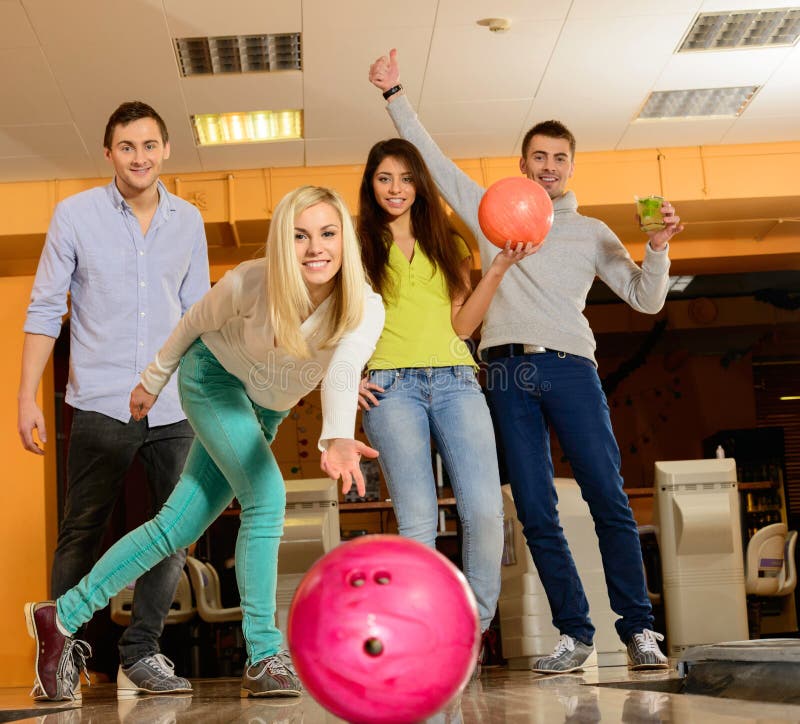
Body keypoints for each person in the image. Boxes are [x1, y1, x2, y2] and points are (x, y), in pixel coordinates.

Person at [369, 49, 684, 673]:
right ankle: (573, 632)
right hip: (504, 373)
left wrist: (656, 249)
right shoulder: (490, 214)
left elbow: (646, 300)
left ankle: (640, 630)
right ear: (523, 164)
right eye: (538, 157)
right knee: (535, 508)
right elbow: (431, 162)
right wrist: (394, 95)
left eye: (559, 159)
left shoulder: (591, 231)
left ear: (571, 168)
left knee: (606, 497)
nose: (548, 167)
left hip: (569, 366)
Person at [24, 184, 386, 702]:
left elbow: (345, 368)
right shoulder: (253, 281)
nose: (315, 248)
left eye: (328, 234)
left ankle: (62, 616)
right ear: (283, 242)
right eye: (300, 235)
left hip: (264, 408)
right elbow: (191, 322)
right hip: (212, 379)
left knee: (175, 528)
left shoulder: (363, 305)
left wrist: (337, 436)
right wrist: (152, 380)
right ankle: (264, 655)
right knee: (267, 498)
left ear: (345, 240)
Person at [18, 101, 210, 698]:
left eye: (149, 145)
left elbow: (200, 318)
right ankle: (63, 651)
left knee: (176, 531)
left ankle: (142, 652)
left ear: (166, 149)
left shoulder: (189, 221)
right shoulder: (74, 216)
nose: (140, 158)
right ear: (109, 153)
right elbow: (47, 309)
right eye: (127, 147)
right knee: (83, 530)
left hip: (175, 402)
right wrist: (27, 397)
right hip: (100, 401)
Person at [356, 137, 537, 667]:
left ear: (420, 184)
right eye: (385, 177)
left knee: (484, 512)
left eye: (406, 178)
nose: (396, 189)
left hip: (457, 379)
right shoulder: (357, 242)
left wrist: (498, 269)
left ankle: (471, 631)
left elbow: (462, 323)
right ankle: (424, 633)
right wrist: (344, 381)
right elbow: (336, 320)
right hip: (390, 387)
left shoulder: (450, 239)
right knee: (418, 521)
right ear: (371, 182)